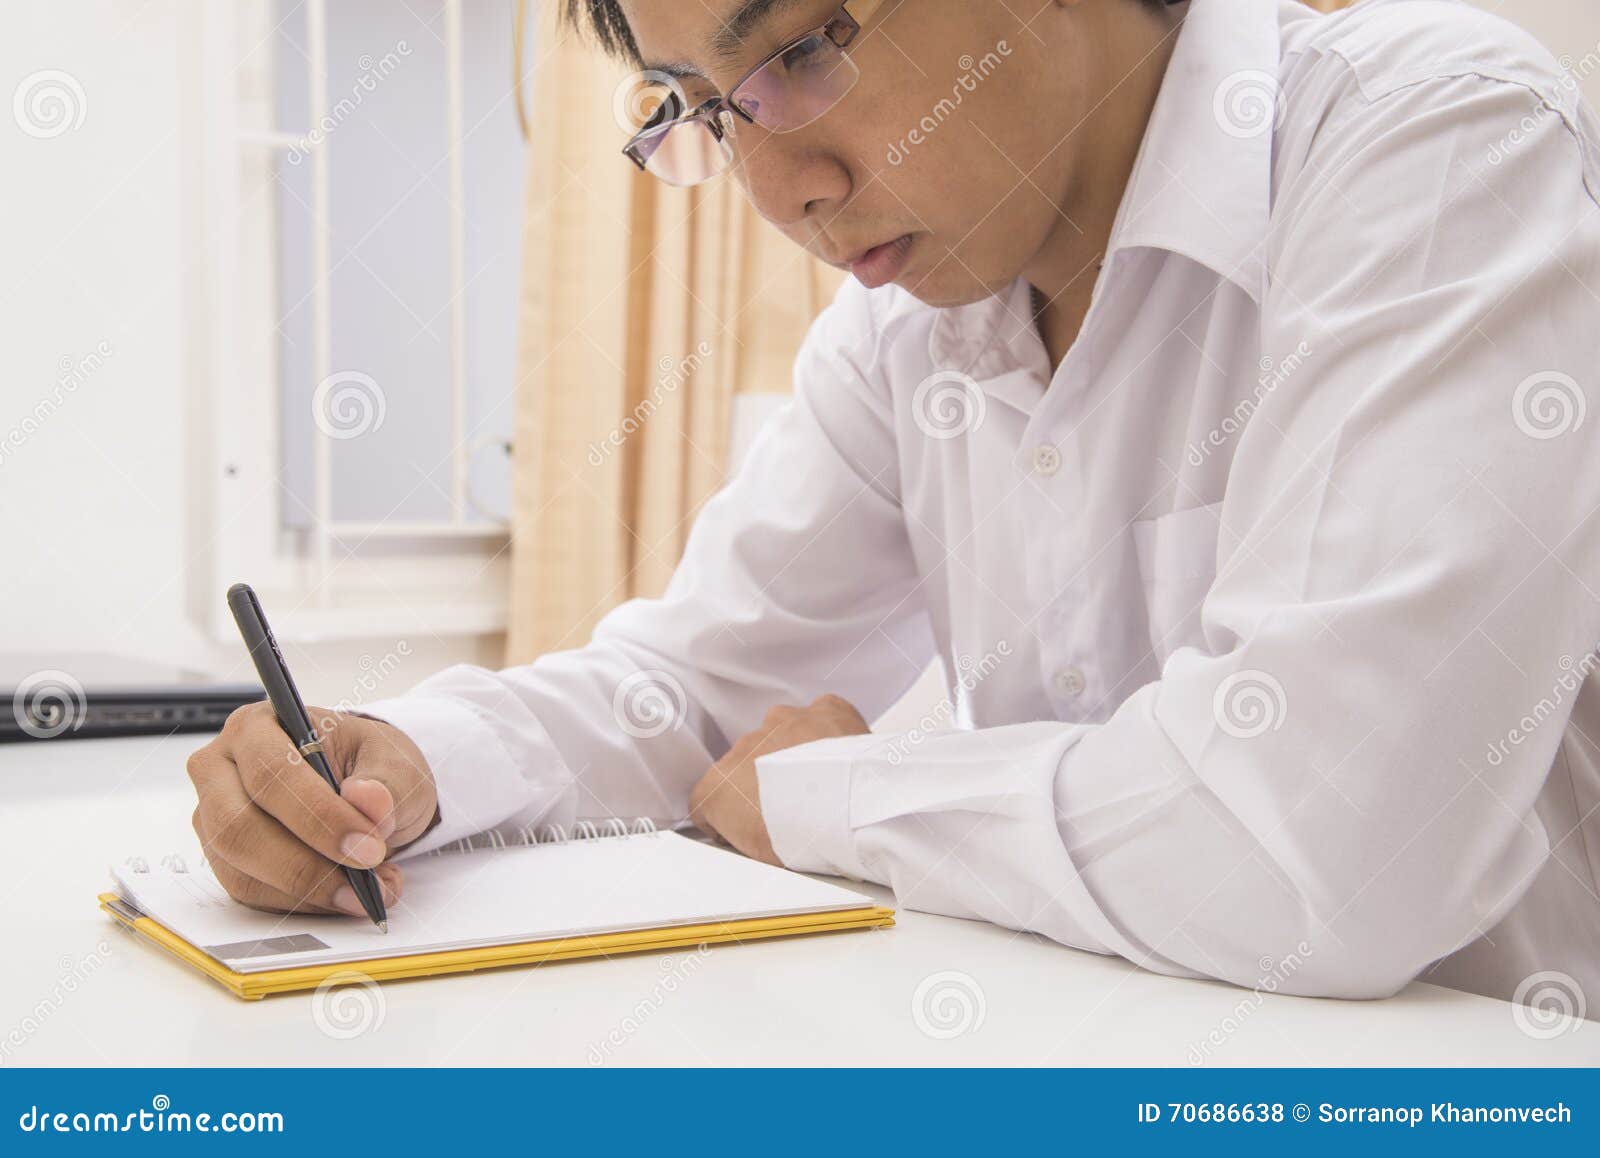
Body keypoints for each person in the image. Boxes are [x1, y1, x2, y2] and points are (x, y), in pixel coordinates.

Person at [186, 0, 1600, 1013]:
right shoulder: (912, 329)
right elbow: (688, 686)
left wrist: (814, 797)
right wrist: (408, 767)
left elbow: (1322, 847)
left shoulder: (1435, 141)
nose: (774, 193)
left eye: (798, 52)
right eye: (702, 108)